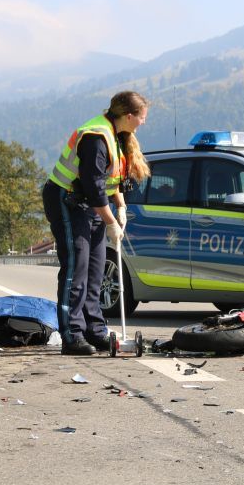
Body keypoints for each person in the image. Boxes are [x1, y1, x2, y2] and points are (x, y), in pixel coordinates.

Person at [42, 91, 151, 355]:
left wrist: (122, 206)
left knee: (96, 268)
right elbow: (93, 186)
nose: (143, 123)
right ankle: (72, 334)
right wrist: (111, 221)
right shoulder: (95, 137)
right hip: (67, 201)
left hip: (89, 204)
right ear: (128, 116)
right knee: (76, 268)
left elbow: (110, 180)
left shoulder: (117, 136)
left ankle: (95, 329)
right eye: (142, 117)